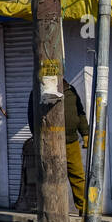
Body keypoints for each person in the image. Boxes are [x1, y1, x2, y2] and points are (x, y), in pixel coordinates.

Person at [26, 82, 89, 215]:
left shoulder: (71, 90)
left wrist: (85, 133)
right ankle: (53, 210)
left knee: (77, 175)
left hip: (71, 141)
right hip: (50, 143)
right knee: (51, 176)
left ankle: (84, 209)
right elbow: (32, 117)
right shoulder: (38, 91)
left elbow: (80, 113)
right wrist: (37, 137)